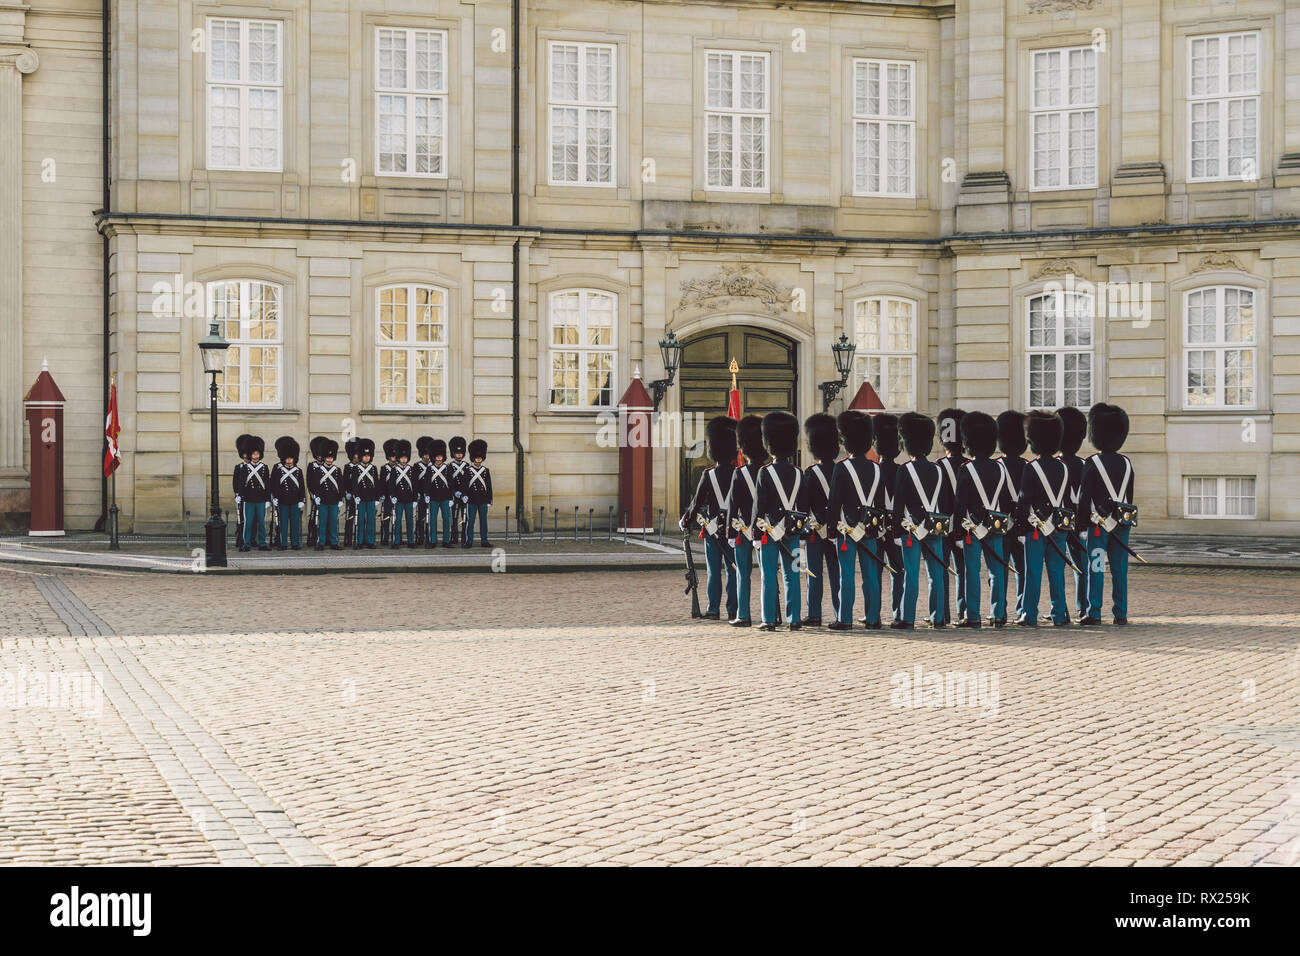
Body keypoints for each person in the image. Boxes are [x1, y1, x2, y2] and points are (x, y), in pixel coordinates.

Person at [1077, 403, 1136, 626]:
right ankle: (1121, 613)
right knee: (1120, 570)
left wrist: (1082, 526)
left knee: (1097, 568)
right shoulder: (1127, 463)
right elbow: (1129, 497)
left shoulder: (1092, 462)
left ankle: (1094, 612)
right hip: (1121, 525)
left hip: (1098, 526)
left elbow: (1084, 497)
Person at [892, 413, 953, 629]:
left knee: (911, 575)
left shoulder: (904, 470)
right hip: (935, 529)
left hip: (911, 529)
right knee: (936, 575)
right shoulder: (939, 469)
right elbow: (946, 502)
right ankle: (938, 618)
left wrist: (896, 531)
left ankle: (907, 617)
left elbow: (898, 504)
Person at [826, 410, 885, 631]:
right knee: (871, 576)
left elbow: (834, 502)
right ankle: (873, 618)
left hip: (846, 531)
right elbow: (879, 504)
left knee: (846, 575)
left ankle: (845, 618)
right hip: (869, 529)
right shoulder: (876, 469)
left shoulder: (842, 467)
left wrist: (832, 529)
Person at [954, 411, 1012, 629]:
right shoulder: (1000, 467)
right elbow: (1005, 500)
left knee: (972, 572)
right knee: (996, 572)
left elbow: (961, 503)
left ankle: (973, 616)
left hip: (972, 528)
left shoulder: (966, 469)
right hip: (996, 527)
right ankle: (997, 614)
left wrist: (958, 530)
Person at [680, 415, 739, 621]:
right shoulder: (738, 473)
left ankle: (713, 609)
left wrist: (685, 520)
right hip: (733, 528)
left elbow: (696, 503)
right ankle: (733, 609)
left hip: (714, 530)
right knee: (733, 571)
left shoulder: (708, 474)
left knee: (714, 571)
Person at [1018, 410, 1072, 627]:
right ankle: (1059, 613)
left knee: (1033, 573)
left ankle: (1029, 614)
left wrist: (1021, 528)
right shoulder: (1063, 467)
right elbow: (1067, 500)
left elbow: (1024, 500)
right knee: (1057, 573)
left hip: (1036, 528)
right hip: (1058, 527)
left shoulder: (1031, 468)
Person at [755, 412, 806, 632]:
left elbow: (759, 507)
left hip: (768, 532)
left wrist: (757, 536)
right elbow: (803, 507)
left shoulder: (764, 472)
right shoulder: (799, 473)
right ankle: (794, 619)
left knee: (768, 576)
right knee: (792, 576)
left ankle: (768, 619)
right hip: (794, 532)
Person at [800, 413, 841, 628]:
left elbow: (804, 503)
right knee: (837, 573)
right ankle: (839, 612)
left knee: (813, 573)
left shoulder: (811, 472)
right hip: (836, 530)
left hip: (816, 530)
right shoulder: (841, 469)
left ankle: (814, 614)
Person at [726, 415, 767, 628]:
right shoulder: (768, 471)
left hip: (742, 529)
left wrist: (730, 534)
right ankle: (772, 613)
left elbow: (732, 506)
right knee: (767, 575)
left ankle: (744, 614)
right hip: (766, 529)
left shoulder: (740, 473)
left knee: (743, 574)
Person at [1056, 405, 1090, 620]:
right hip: (1079, 520)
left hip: (1057, 521)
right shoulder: (1085, 464)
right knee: (1082, 566)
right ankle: (1084, 606)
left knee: (1056, 566)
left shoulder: (1053, 464)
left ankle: (1060, 609)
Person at [995, 410, 1028, 625]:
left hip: (1001, 523)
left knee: (1000, 569)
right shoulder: (1027, 465)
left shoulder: (997, 466)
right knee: (1023, 570)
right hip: (1022, 523)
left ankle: (999, 612)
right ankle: (1023, 609)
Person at [936, 408, 968, 625]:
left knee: (941, 569)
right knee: (964, 570)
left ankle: (942, 612)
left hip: (943, 524)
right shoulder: (969, 465)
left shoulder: (937, 466)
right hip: (966, 524)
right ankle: (964, 611)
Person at [872, 414, 905, 624]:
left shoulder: (873, 469)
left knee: (874, 573)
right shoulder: (902, 470)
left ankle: (873, 615)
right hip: (897, 527)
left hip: (875, 527)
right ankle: (899, 613)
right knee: (898, 572)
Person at [233, 434, 270, 552]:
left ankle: (262, 543)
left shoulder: (264, 467)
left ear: (260, 454)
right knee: (248, 523)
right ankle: (246, 543)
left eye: (257, 453)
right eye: (253, 453)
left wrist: (268, 499)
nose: (255, 455)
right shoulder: (245, 467)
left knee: (261, 523)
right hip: (248, 499)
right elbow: (241, 483)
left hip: (260, 499)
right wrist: (238, 494)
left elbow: (267, 484)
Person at [306, 436, 343, 550]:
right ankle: (320, 542)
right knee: (321, 523)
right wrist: (316, 496)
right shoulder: (318, 470)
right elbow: (315, 484)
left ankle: (333, 542)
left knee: (333, 523)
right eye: (327, 457)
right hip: (322, 500)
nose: (329, 459)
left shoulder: (337, 470)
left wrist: (340, 498)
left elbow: (341, 486)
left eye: (331, 457)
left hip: (333, 500)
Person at [270, 436, 304, 550]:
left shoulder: (298, 471)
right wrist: (274, 497)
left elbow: (302, 486)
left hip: (294, 501)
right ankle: (283, 543)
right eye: (287, 458)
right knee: (283, 524)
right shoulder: (279, 470)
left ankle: (295, 543)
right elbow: (275, 485)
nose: (289, 460)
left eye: (291, 458)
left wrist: (301, 499)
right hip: (283, 501)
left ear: (294, 459)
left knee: (295, 524)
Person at [423, 439, 455, 548]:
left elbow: (451, 483)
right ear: (434, 457)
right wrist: (426, 494)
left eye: (440, 457)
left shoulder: (447, 468)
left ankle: (446, 540)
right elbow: (427, 483)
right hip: (433, 498)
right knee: (433, 520)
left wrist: (451, 498)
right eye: (437, 457)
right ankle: (432, 540)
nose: (439, 458)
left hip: (445, 497)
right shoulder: (430, 469)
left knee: (446, 520)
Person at [387, 439, 418, 549]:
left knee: (410, 522)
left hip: (409, 499)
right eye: (402, 457)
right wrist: (392, 496)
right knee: (397, 521)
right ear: (399, 458)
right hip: (398, 500)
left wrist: (415, 499)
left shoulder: (411, 469)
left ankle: (411, 541)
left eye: (405, 458)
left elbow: (415, 485)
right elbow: (391, 485)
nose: (404, 459)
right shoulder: (395, 470)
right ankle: (396, 542)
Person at [351, 438, 381, 550]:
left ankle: (370, 541)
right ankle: (359, 541)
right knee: (360, 521)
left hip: (371, 497)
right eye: (364, 455)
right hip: (361, 498)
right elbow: (354, 484)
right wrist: (356, 495)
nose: (367, 457)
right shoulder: (356, 469)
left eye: (368, 455)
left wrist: (377, 497)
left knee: (370, 521)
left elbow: (376, 484)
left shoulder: (373, 468)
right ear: (361, 456)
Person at [463, 439, 493, 547]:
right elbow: (465, 485)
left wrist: (490, 499)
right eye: (476, 458)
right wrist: (464, 495)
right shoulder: (468, 470)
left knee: (483, 521)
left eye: (480, 458)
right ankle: (469, 541)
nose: (478, 459)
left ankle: (484, 540)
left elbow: (489, 486)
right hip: (472, 499)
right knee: (470, 522)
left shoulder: (485, 470)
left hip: (483, 499)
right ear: (473, 458)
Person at [414, 436, 435, 546]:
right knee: (420, 517)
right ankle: (419, 536)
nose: (427, 456)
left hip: (432, 495)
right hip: (421, 496)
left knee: (431, 518)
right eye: (425, 455)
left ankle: (430, 537)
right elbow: (414, 481)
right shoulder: (417, 466)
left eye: (428, 454)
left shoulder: (434, 466)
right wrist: (416, 494)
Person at [448, 435, 469, 543]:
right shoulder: (450, 466)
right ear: (453, 454)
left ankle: (464, 537)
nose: (459, 455)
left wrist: (465, 493)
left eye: (461, 453)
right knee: (454, 518)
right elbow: (449, 482)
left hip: (464, 496)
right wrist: (454, 492)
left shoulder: (466, 466)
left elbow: (468, 482)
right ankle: (454, 537)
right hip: (454, 496)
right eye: (457, 453)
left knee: (465, 517)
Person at [379, 439, 397, 545]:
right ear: (389, 457)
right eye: (392, 456)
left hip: (397, 496)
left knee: (397, 518)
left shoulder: (400, 468)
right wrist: (381, 495)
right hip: (386, 496)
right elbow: (382, 482)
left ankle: (396, 537)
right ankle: (385, 537)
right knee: (386, 518)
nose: (394, 458)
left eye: (395, 456)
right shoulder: (384, 468)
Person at [342, 439, 359, 548]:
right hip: (350, 497)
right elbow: (344, 481)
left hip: (361, 497)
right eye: (355, 455)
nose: (356, 457)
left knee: (362, 519)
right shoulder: (348, 467)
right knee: (350, 518)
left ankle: (361, 538)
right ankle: (348, 539)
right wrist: (346, 493)